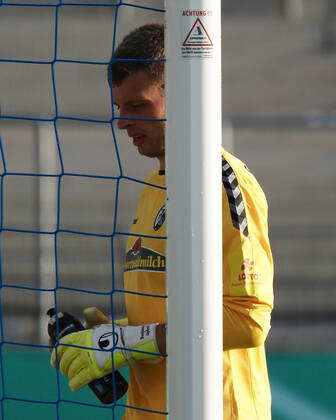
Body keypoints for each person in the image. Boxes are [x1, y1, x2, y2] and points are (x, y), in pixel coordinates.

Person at [50, 24, 274, 420]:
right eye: (120, 108)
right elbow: (169, 318)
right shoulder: (153, 183)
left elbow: (249, 320)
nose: (123, 122)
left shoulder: (223, 181)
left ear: (183, 97)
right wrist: (108, 337)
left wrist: (127, 340)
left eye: (137, 106)